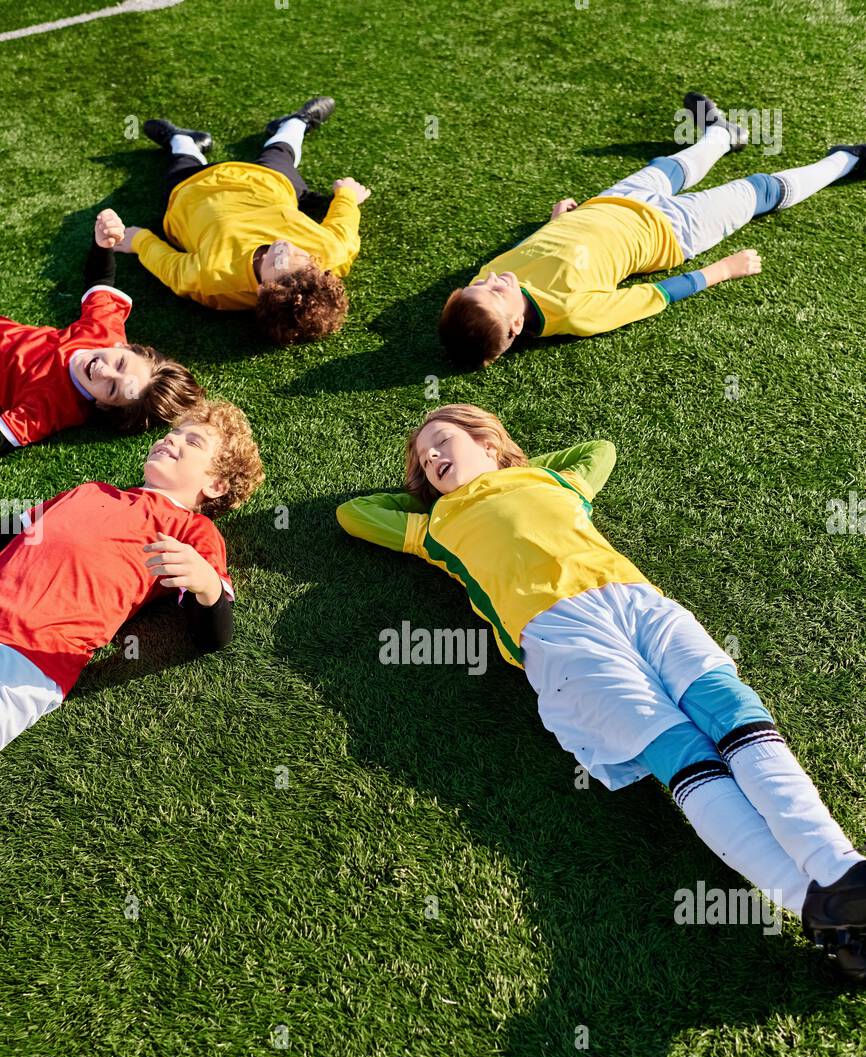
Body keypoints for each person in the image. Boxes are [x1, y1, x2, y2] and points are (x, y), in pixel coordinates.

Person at [337, 403, 866, 983]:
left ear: (487, 440)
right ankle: (819, 905)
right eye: (421, 459)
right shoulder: (436, 526)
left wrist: (514, 468)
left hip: (641, 603)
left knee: (737, 715)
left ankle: (839, 874)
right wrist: (428, 496)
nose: (431, 457)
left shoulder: (552, 479)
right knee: (688, 756)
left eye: (441, 440)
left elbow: (599, 449)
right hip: (557, 635)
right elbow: (354, 512)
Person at [438, 90, 865, 369]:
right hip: (673, 231)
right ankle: (847, 160)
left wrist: (558, 224)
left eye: (480, 284)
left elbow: (534, 254)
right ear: (515, 327)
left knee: (670, 168)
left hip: (612, 201)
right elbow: (653, 296)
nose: (493, 278)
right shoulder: (573, 313)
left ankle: (722, 134)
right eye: (494, 291)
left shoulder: (485, 284)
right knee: (758, 190)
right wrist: (723, 270)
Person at [0, 398, 263, 749]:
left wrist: (206, 584)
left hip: (32, 655)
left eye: (193, 442)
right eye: (174, 433)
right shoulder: (90, 491)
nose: (172, 440)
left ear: (216, 485)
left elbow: (214, 637)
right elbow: (10, 529)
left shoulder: (191, 530)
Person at [112, 99, 370, 344]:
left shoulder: (212, 279)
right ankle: (297, 122)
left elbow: (172, 269)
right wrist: (347, 194)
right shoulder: (330, 254)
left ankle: (183, 140)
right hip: (268, 180)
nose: (285, 245)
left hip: (194, 189)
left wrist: (139, 241)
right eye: (302, 255)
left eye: (277, 260)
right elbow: (343, 230)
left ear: (263, 290)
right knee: (281, 151)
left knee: (182, 160)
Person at [0, 209, 202, 452]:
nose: (104, 371)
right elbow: (100, 281)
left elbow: (7, 432)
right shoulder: (105, 331)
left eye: (113, 388)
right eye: (119, 364)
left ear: (105, 405)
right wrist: (103, 244)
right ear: (124, 347)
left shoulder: (56, 406)